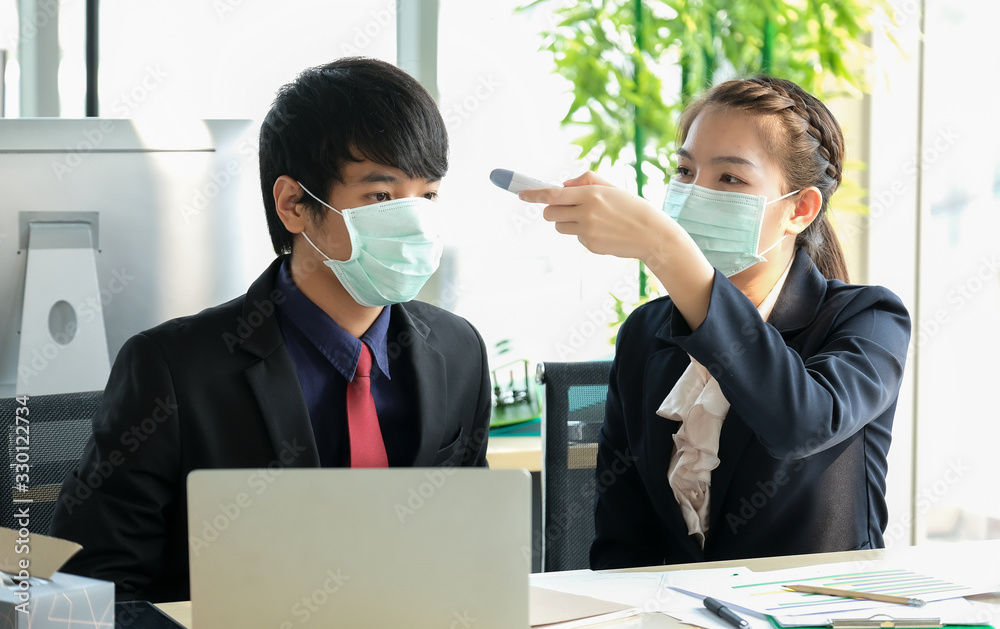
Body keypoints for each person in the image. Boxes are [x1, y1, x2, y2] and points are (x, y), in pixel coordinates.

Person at [50, 57, 492, 602]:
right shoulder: (172, 371)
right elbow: (93, 595)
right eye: (381, 196)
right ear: (294, 205)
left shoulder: (459, 350)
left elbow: (472, 552)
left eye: (428, 196)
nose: (414, 221)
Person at [520, 76, 911, 567]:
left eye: (729, 179)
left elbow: (800, 425)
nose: (693, 194)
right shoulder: (645, 333)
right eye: (685, 171)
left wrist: (665, 250)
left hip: (818, 606)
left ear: (800, 209)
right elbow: (622, 543)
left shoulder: (869, 318)